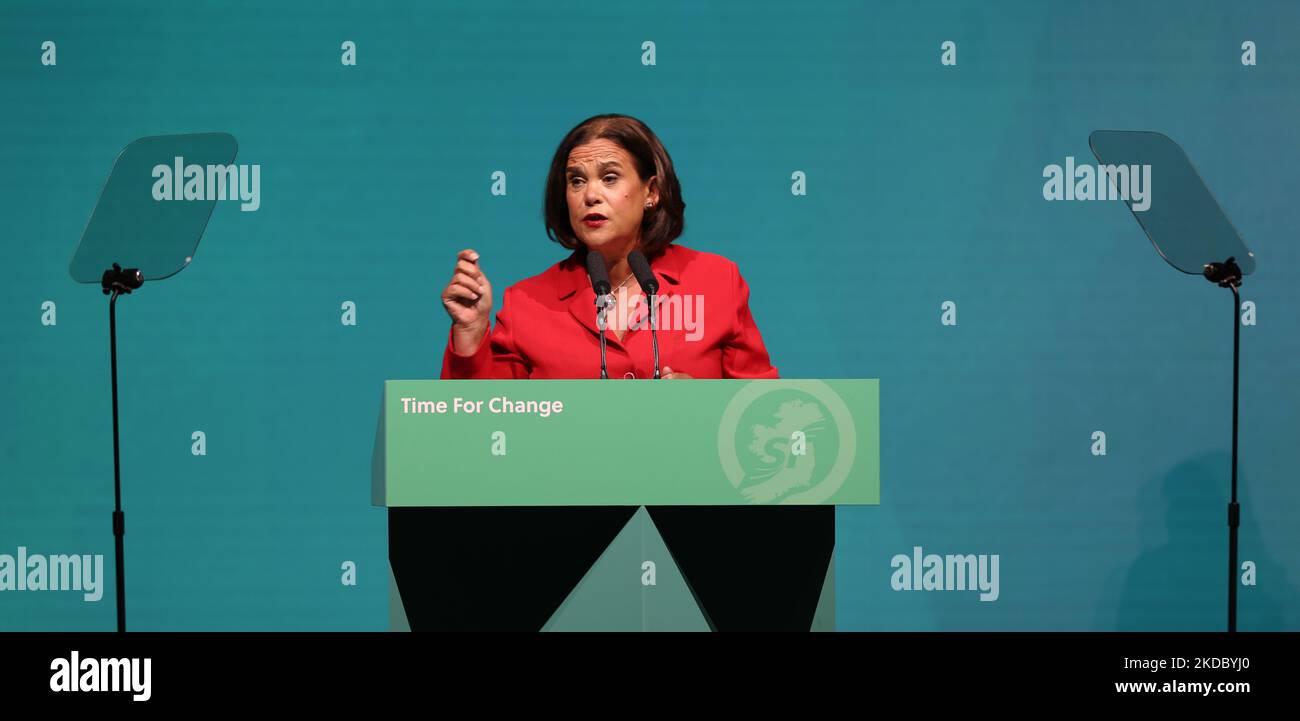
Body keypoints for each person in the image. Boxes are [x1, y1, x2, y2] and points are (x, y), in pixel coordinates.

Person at [438, 113, 778, 380]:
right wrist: (470, 331)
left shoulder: (714, 281)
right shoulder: (526, 304)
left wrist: (705, 405)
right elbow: (480, 422)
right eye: (576, 180)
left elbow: (758, 411)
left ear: (652, 192)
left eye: (610, 177)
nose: (591, 195)